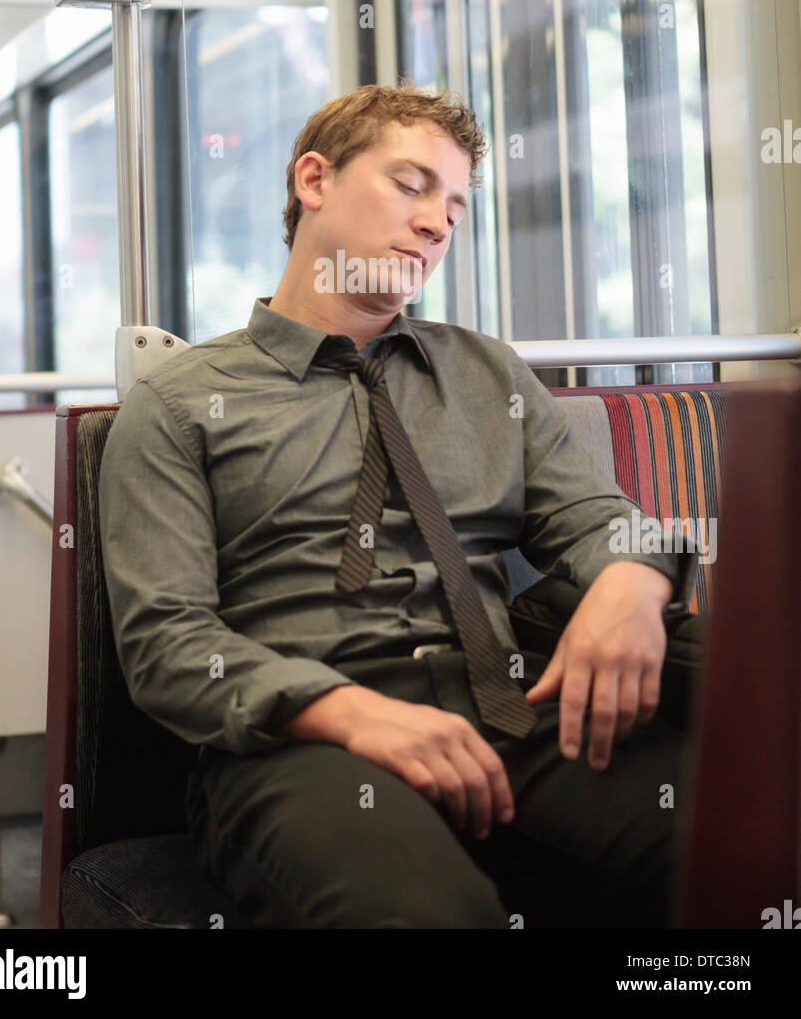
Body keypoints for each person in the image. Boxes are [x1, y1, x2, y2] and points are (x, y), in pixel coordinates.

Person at [99, 82, 702, 930]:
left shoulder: (487, 374)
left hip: (510, 707)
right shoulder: (183, 405)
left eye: (454, 209)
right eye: (412, 185)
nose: (435, 224)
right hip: (302, 739)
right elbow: (166, 645)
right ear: (314, 180)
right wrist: (353, 713)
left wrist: (633, 584)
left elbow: (603, 521)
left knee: (751, 851)